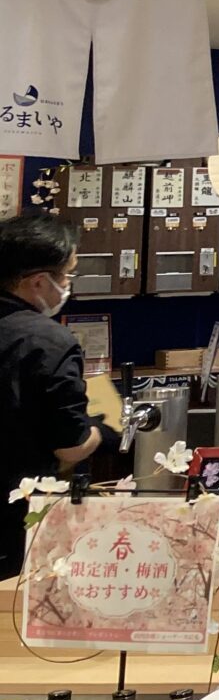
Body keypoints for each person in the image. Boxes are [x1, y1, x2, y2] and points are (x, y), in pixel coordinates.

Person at [0, 216, 102, 578]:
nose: (68, 285)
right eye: (68, 275)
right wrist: (100, 427)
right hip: (12, 523)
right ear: (39, 282)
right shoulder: (48, 341)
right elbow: (70, 447)